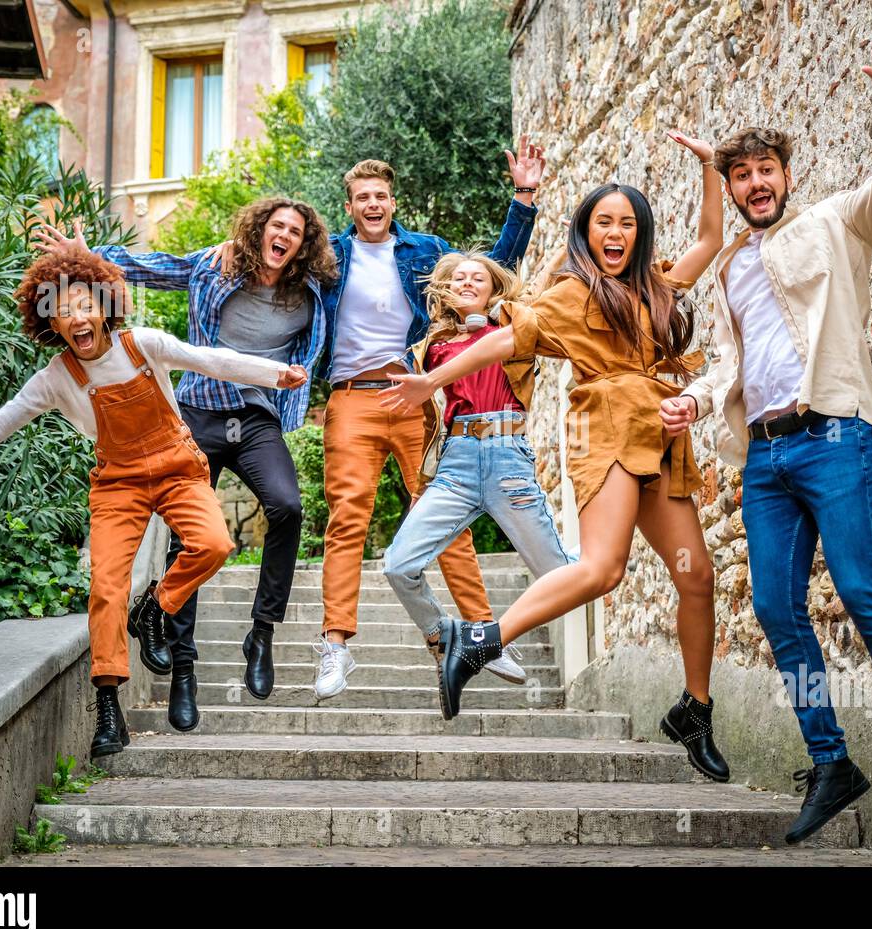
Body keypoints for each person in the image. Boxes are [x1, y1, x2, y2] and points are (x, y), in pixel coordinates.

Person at [661, 29, 872, 856]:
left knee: (863, 594)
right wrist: (693, 398)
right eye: (741, 174)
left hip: (834, 437)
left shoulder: (836, 222)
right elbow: (732, 359)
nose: (756, 185)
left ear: (786, 176)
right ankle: (831, 761)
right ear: (732, 185)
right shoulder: (729, 270)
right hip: (766, 458)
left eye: (766, 171)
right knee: (777, 610)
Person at [380, 130, 730, 782]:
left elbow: (709, 239)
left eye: (628, 222)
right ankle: (479, 640)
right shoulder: (572, 294)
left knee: (697, 577)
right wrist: (430, 381)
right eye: (604, 222)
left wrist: (711, 167)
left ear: (641, 233)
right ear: (586, 232)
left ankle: (695, 710)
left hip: (661, 437)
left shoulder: (657, 284)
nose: (616, 232)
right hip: (605, 432)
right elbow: (503, 339)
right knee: (600, 569)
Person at [0, 249, 308, 757]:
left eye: (85, 304)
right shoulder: (56, 377)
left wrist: (273, 374)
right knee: (106, 588)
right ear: (52, 323)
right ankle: (108, 707)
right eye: (64, 310)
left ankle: (156, 607)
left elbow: (209, 359)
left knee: (214, 544)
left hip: (178, 468)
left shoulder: (143, 345)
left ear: (105, 305)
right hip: (118, 485)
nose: (77, 317)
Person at [34, 197, 336, 731]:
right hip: (198, 410)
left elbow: (377, 263)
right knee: (188, 538)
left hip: (259, 414)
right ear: (259, 229)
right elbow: (155, 267)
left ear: (302, 245)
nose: (284, 235)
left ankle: (261, 633)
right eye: (276, 226)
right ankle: (183, 672)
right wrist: (87, 257)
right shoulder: (215, 265)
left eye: (295, 231)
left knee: (288, 505)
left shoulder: (312, 290)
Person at [307, 142, 545, 701]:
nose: (372, 204)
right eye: (362, 197)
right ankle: (336, 643)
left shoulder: (423, 252)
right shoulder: (329, 260)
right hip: (352, 399)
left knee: (448, 514)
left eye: (381, 196)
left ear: (393, 202)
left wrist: (523, 200)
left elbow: (489, 268)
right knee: (348, 518)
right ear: (349, 207)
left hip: (416, 397)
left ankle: (487, 636)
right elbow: (274, 276)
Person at [382, 251, 575, 683]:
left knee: (565, 576)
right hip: (456, 465)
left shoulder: (514, 327)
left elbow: (541, 288)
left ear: (494, 288)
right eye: (459, 278)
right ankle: (448, 637)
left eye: (479, 278)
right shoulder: (428, 347)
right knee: (397, 564)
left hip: (507, 457)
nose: (469, 282)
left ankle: (492, 636)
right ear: (447, 290)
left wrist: (569, 245)